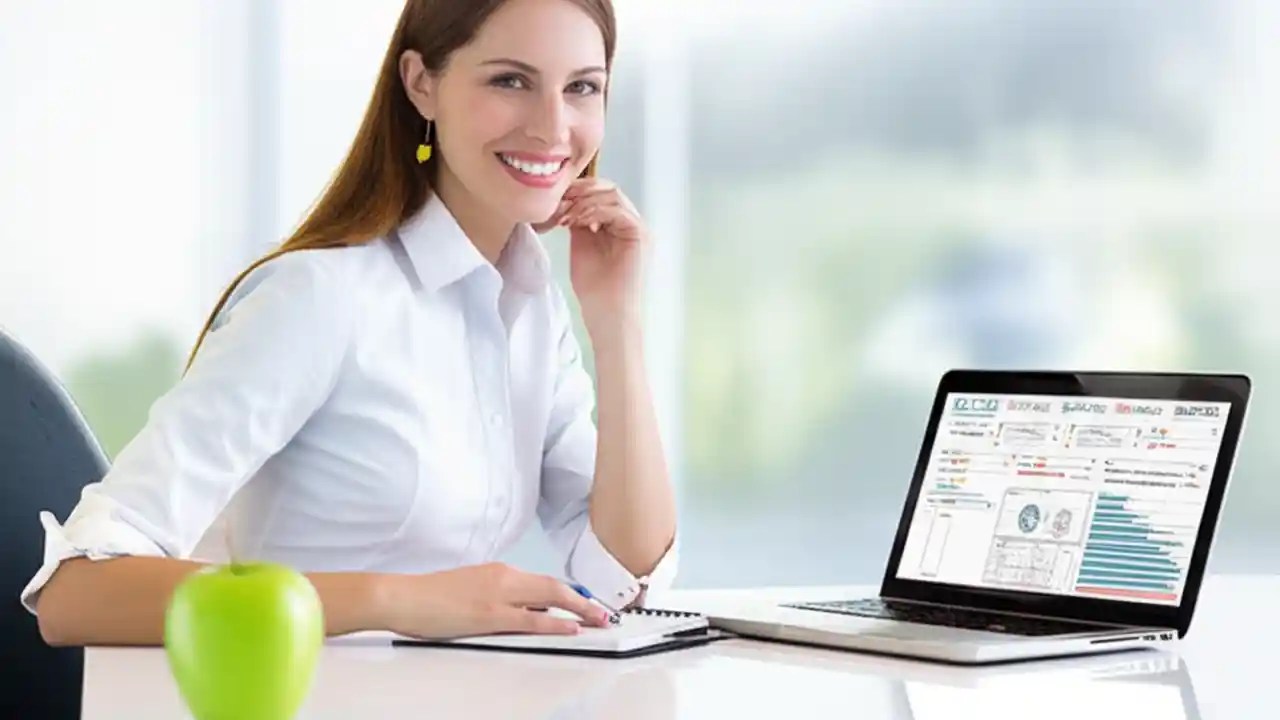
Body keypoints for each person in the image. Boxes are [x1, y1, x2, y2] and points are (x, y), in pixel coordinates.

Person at [27, 0, 677, 646]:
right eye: (510, 80)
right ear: (421, 83)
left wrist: (616, 321)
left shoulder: (529, 304)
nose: (552, 126)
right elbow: (78, 592)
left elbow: (627, 575)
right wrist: (396, 600)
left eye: (582, 88)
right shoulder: (320, 298)